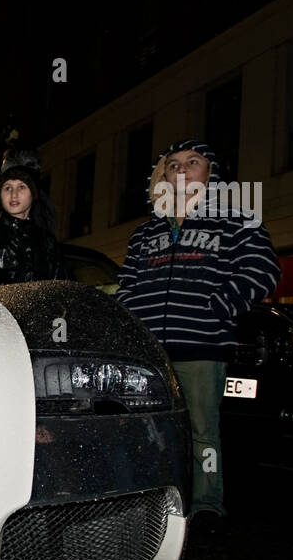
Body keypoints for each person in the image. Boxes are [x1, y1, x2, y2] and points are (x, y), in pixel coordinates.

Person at [116, 139, 280, 536]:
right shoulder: (146, 232)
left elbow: (263, 269)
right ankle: (152, 501)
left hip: (202, 345)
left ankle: (206, 505)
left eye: (193, 162)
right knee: (146, 429)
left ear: (211, 174)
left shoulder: (235, 220)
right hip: (149, 353)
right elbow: (126, 285)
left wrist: (221, 304)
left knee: (202, 432)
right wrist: (131, 324)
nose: (183, 170)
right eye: (174, 165)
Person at [0, 161, 61, 288]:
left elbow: (57, 287)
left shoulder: (47, 240)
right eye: (7, 188)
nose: (14, 195)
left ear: (33, 194)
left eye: (21, 187)